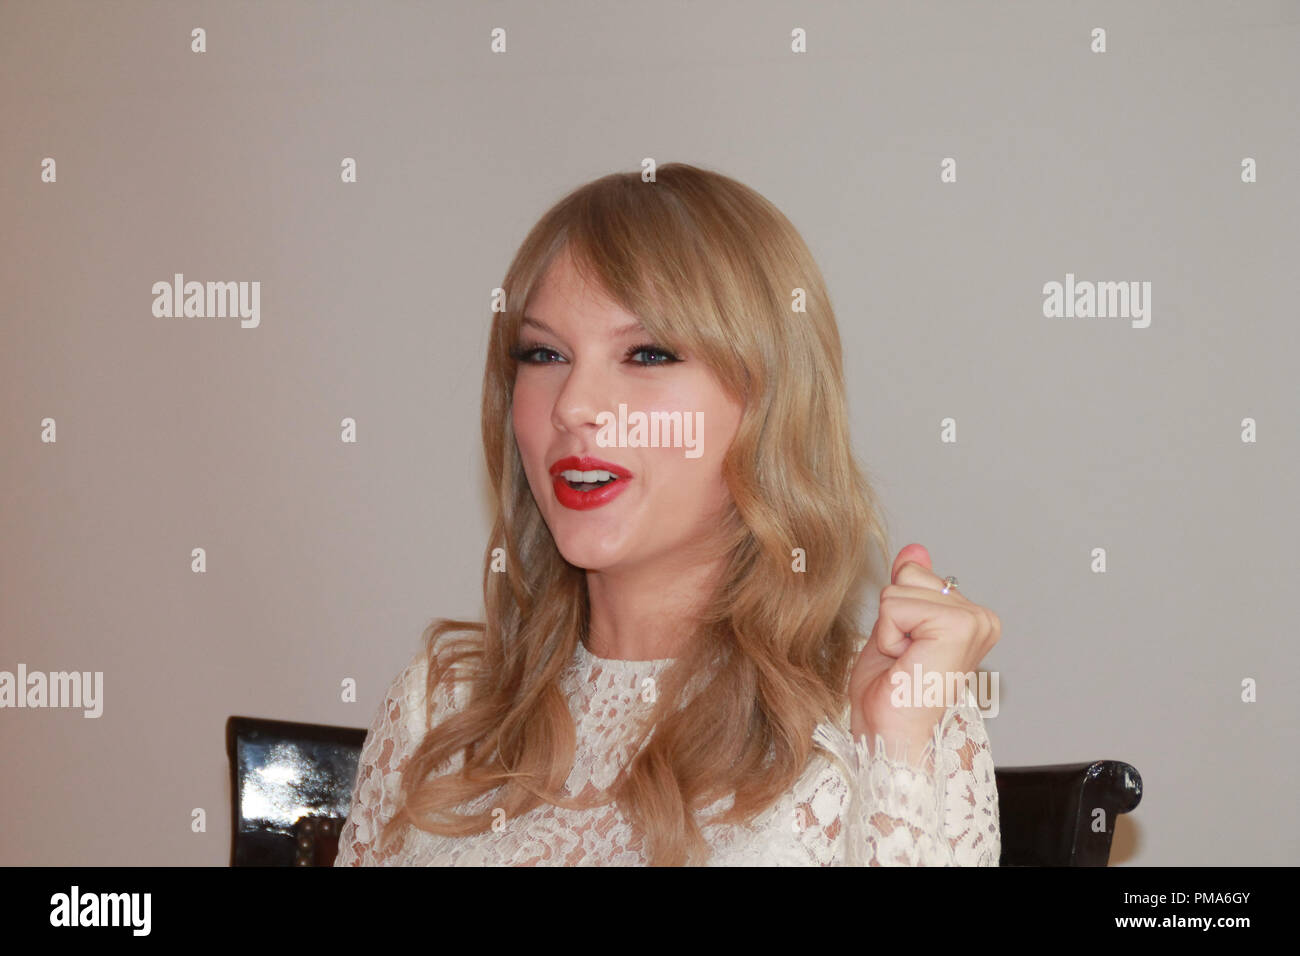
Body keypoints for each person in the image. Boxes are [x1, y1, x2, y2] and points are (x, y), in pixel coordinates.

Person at [335, 162, 1002, 866]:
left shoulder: (883, 719)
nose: (573, 406)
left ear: (769, 403)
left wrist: (892, 748)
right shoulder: (439, 713)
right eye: (543, 354)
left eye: (647, 353)